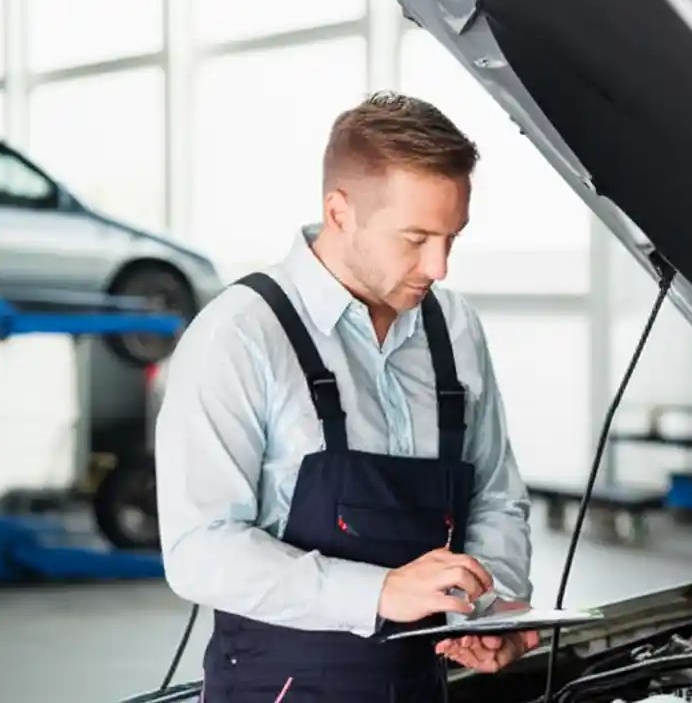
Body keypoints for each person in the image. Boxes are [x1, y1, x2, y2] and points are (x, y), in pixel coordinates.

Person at [155, 91, 536, 702]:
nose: (439, 266)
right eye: (415, 238)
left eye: (452, 237)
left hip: (422, 687)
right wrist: (380, 591)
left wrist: (489, 604)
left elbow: (494, 496)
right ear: (339, 212)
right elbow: (199, 550)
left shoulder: (455, 327)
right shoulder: (240, 335)